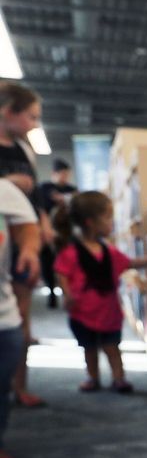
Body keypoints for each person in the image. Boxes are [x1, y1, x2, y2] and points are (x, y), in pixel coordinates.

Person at [52, 191, 147, 393]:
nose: (112, 222)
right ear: (90, 222)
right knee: (89, 349)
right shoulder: (71, 252)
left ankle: (119, 378)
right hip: (82, 312)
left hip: (108, 312)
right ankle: (93, 377)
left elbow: (128, 263)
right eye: (108, 217)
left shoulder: (108, 251)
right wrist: (67, 294)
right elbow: (61, 272)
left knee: (112, 347)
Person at [0, 82, 48, 408]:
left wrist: (43, 226)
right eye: (30, 116)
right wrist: (7, 184)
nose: (34, 124)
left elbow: (35, 198)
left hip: (22, 242)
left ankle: (19, 386)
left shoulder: (24, 151)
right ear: (8, 112)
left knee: (21, 318)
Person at [0, 178, 40, 458]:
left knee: (1, 384)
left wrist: (28, 249)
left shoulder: (4, 190)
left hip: (3, 314)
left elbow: (27, 226)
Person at [37, 157, 77, 308]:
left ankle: (68, 293)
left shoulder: (71, 189)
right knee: (48, 263)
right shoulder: (45, 188)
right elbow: (41, 208)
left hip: (67, 233)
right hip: (47, 231)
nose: (65, 177)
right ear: (54, 173)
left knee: (67, 262)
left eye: (67, 174)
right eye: (62, 173)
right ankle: (52, 293)